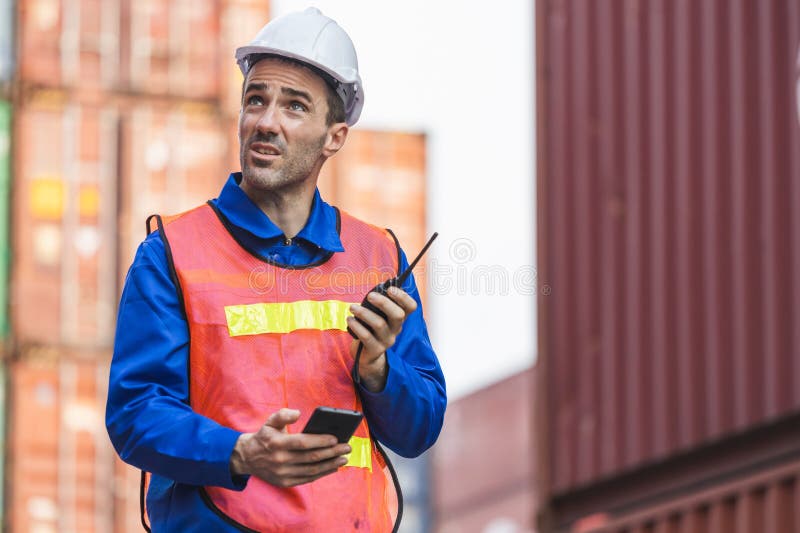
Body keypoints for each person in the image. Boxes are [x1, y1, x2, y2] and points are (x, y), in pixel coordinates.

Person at [105, 7, 446, 532]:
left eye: (294, 106)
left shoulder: (378, 256)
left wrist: (379, 369)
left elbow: (419, 430)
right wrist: (241, 453)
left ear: (334, 137)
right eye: (256, 99)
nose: (266, 121)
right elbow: (135, 415)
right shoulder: (172, 252)